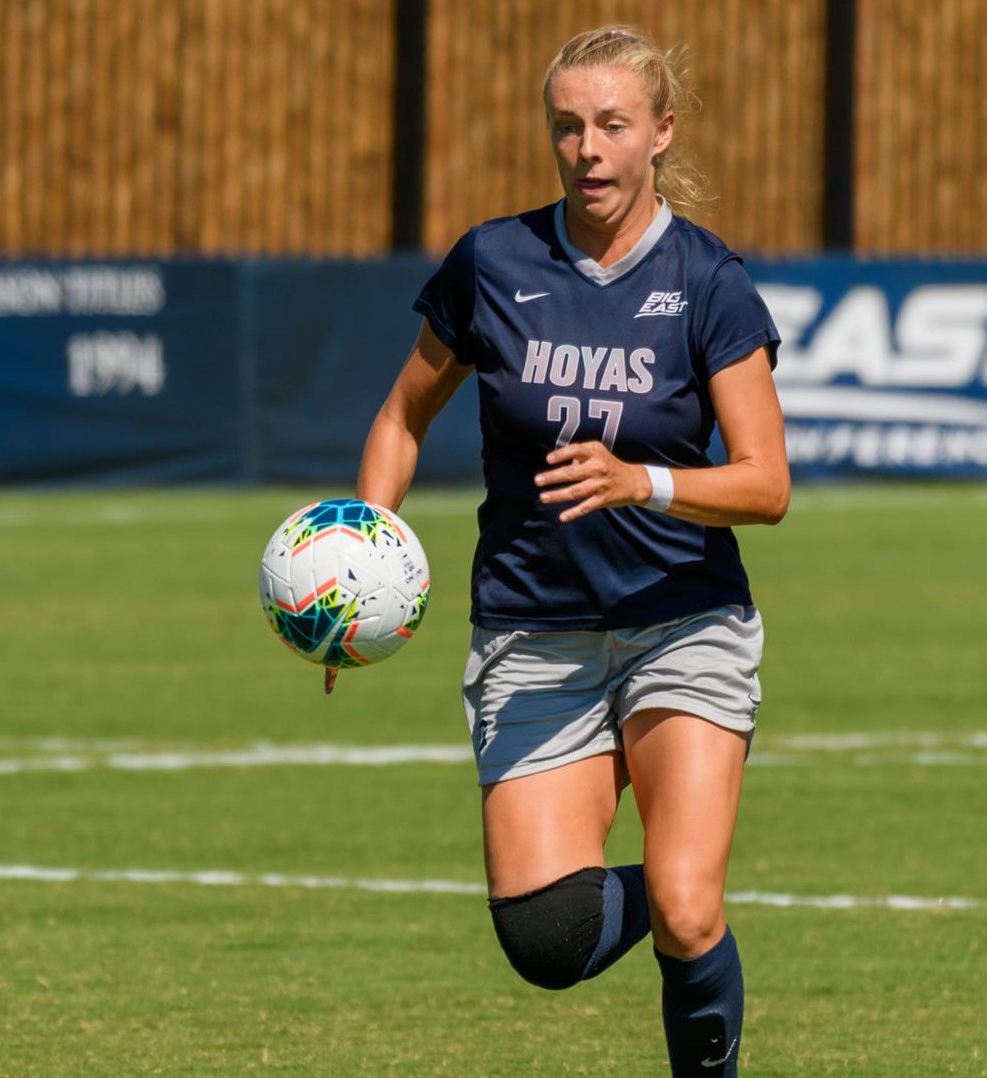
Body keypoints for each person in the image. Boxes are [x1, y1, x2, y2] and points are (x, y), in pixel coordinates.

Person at [333, 26, 787, 1078]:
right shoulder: (492, 262)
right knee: (548, 939)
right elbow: (402, 418)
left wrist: (644, 482)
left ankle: (687, 905)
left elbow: (765, 484)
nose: (587, 149)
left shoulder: (709, 281)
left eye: (612, 125)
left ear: (660, 133)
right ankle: (675, 888)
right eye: (567, 126)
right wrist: (360, 558)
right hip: (533, 632)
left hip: (681, 621)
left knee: (684, 904)